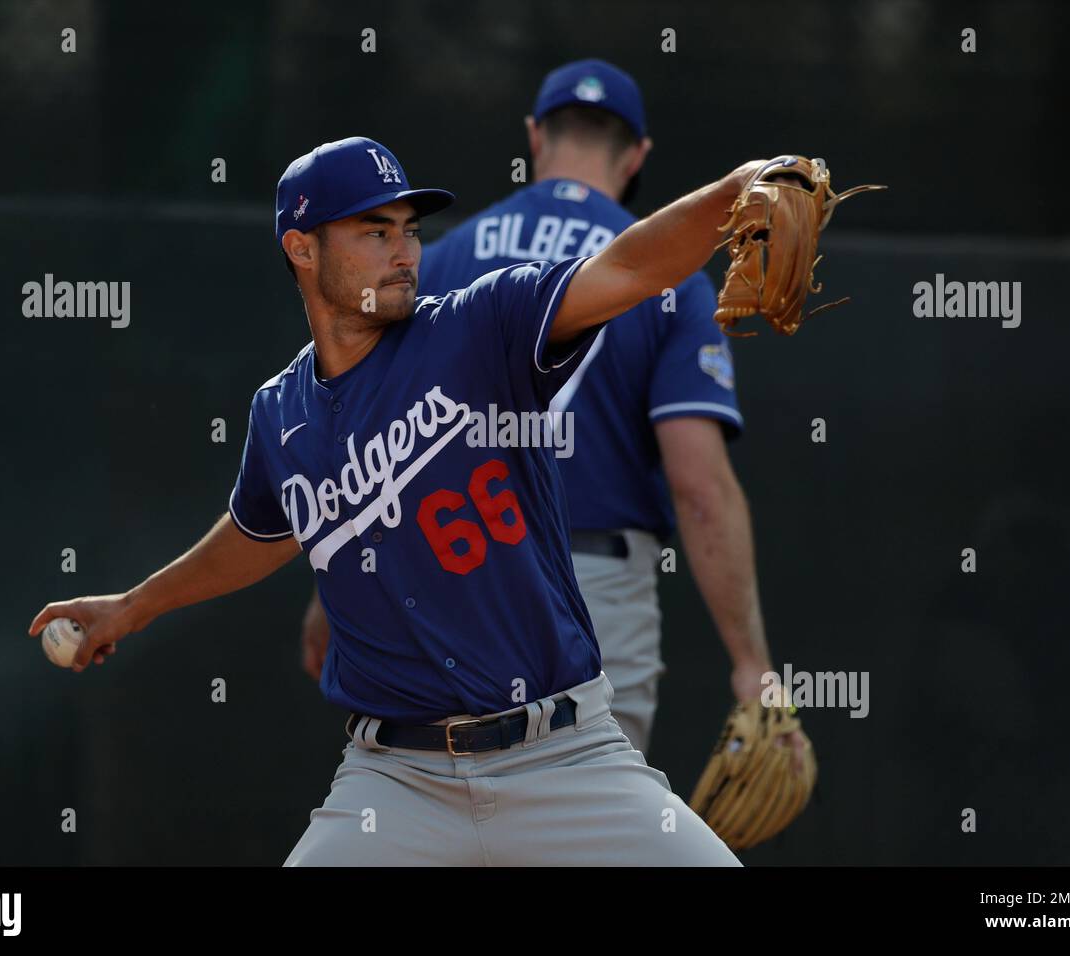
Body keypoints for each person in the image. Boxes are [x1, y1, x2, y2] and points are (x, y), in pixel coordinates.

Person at [29, 134, 770, 866]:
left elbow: (630, 266)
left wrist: (736, 189)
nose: (404, 251)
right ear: (302, 248)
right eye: (374, 231)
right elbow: (258, 534)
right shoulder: (280, 414)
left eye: (410, 230)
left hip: (564, 762)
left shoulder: (483, 327)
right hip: (397, 784)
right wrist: (134, 605)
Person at [301, 60, 794, 759]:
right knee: (591, 835)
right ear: (638, 155)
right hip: (592, 597)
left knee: (442, 823)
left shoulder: (434, 263)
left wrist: (335, 598)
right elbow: (700, 487)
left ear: (535, 136)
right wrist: (754, 667)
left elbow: (364, 449)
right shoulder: (669, 276)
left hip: (442, 576)